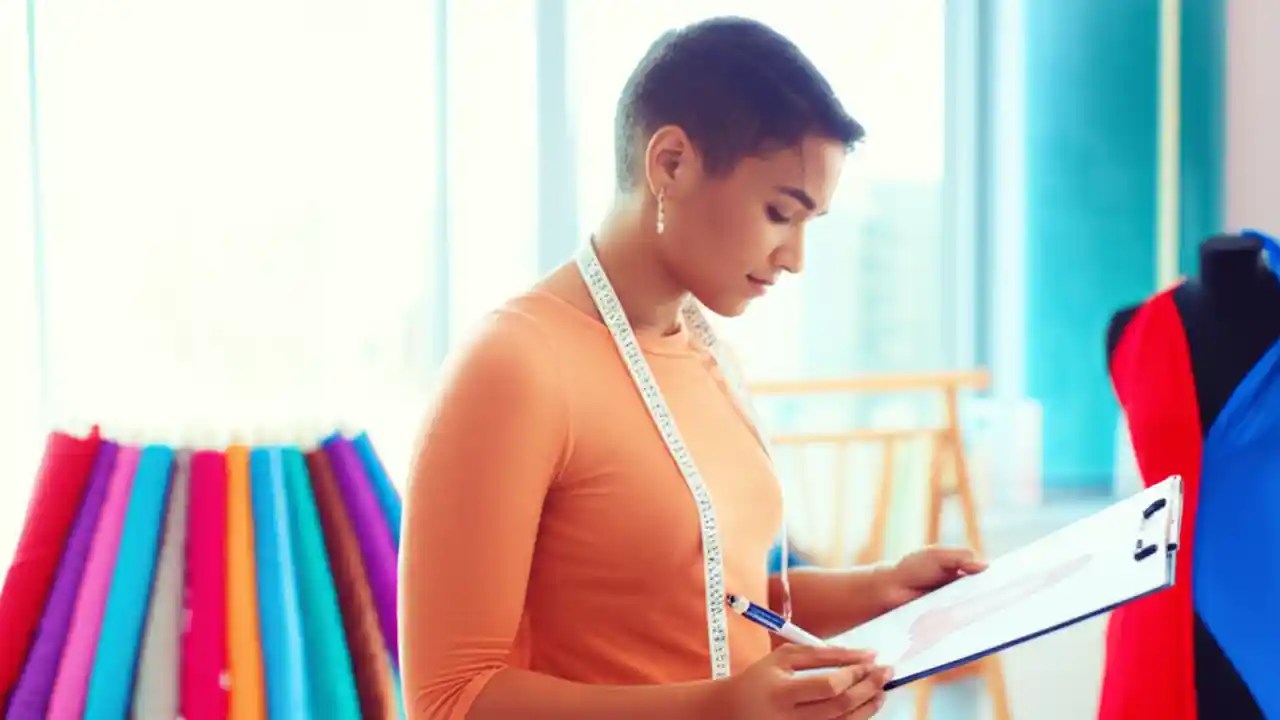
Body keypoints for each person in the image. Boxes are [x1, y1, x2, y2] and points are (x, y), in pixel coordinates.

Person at [400, 16, 985, 720]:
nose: (796, 257)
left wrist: (878, 589)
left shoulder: (709, 355)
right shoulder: (514, 367)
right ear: (671, 164)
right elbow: (450, 699)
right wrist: (719, 710)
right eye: (780, 213)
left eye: (810, 224)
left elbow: (705, 603)